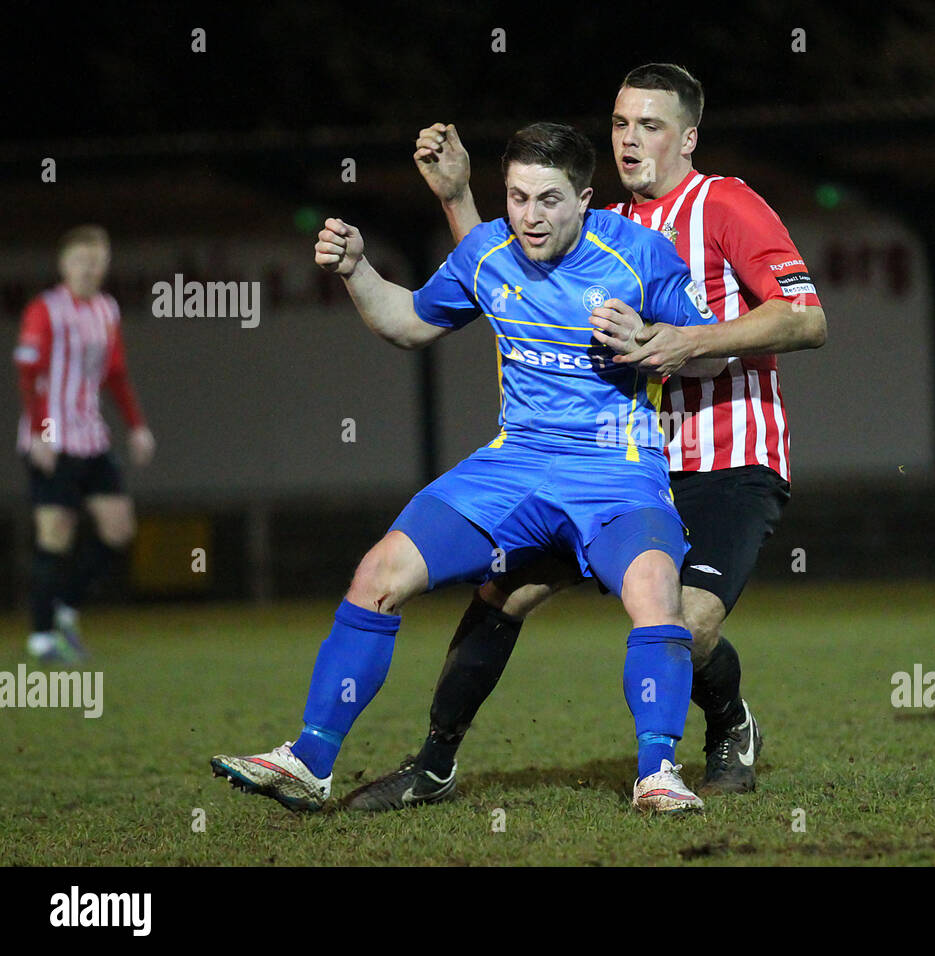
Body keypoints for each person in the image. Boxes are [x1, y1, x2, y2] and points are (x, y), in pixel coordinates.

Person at [343, 63, 826, 811]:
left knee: (687, 626)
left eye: (651, 125)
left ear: (689, 136)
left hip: (725, 458)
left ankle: (730, 724)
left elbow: (805, 318)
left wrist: (681, 339)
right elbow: (501, 279)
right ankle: (432, 765)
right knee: (500, 594)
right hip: (611, 466)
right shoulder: (598, 221)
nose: (631, 140)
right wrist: (458, 198)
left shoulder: (724, 204)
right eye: (621, 124)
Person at [210, 122, 726, 813]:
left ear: (585, 199)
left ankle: (657, 773)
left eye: (548, 200)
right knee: (378, 574)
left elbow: (715, 355)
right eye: (516, 197)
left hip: (616, 469)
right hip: (514, 464)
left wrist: (657, 343)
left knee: (656, 591)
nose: (529, 216)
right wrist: (357, 271)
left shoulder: (640, 254)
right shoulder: (488, 253)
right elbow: (407, 325)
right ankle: (309, 761)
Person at [14, 224, 155, 664]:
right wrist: (40, 432)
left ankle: (65, 608)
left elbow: (114, 374)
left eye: (97, 260)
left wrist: (136, 426)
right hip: (53, 437)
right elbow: (28, 374)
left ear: (105, 264)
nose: (89, 268)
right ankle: (40, 637)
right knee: (55, 532)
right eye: (81, 260)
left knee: (118, 529)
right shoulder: (45, 310)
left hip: (91, 436)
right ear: (64, 264)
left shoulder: (107, 309)